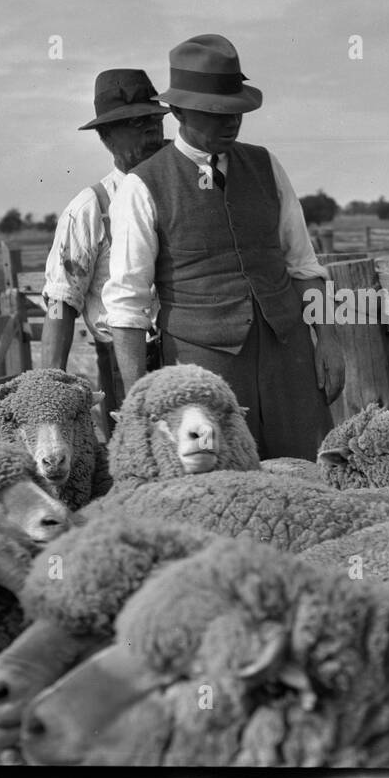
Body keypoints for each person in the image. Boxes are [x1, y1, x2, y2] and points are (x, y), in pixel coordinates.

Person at [103, 34, 344, 459]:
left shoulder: (266, 165)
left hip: (290, 361)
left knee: (312, 473)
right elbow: (127, 304)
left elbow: (303, 265)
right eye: (216, 113)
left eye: (237, 111)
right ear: (177, 111)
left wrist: (327, 340)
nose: (231, 122)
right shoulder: (143, 186)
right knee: (221, 487)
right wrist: (139, 399)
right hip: (203, 369)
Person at [40, 69, 169, 437]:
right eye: (134, 122)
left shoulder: (182, 192)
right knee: (135, 467)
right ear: (106, 136)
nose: (150, 130)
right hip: (124, 362)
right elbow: (61, 300)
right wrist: (47, 392)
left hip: (186, 355)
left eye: (155, 119)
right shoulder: (90, 208)